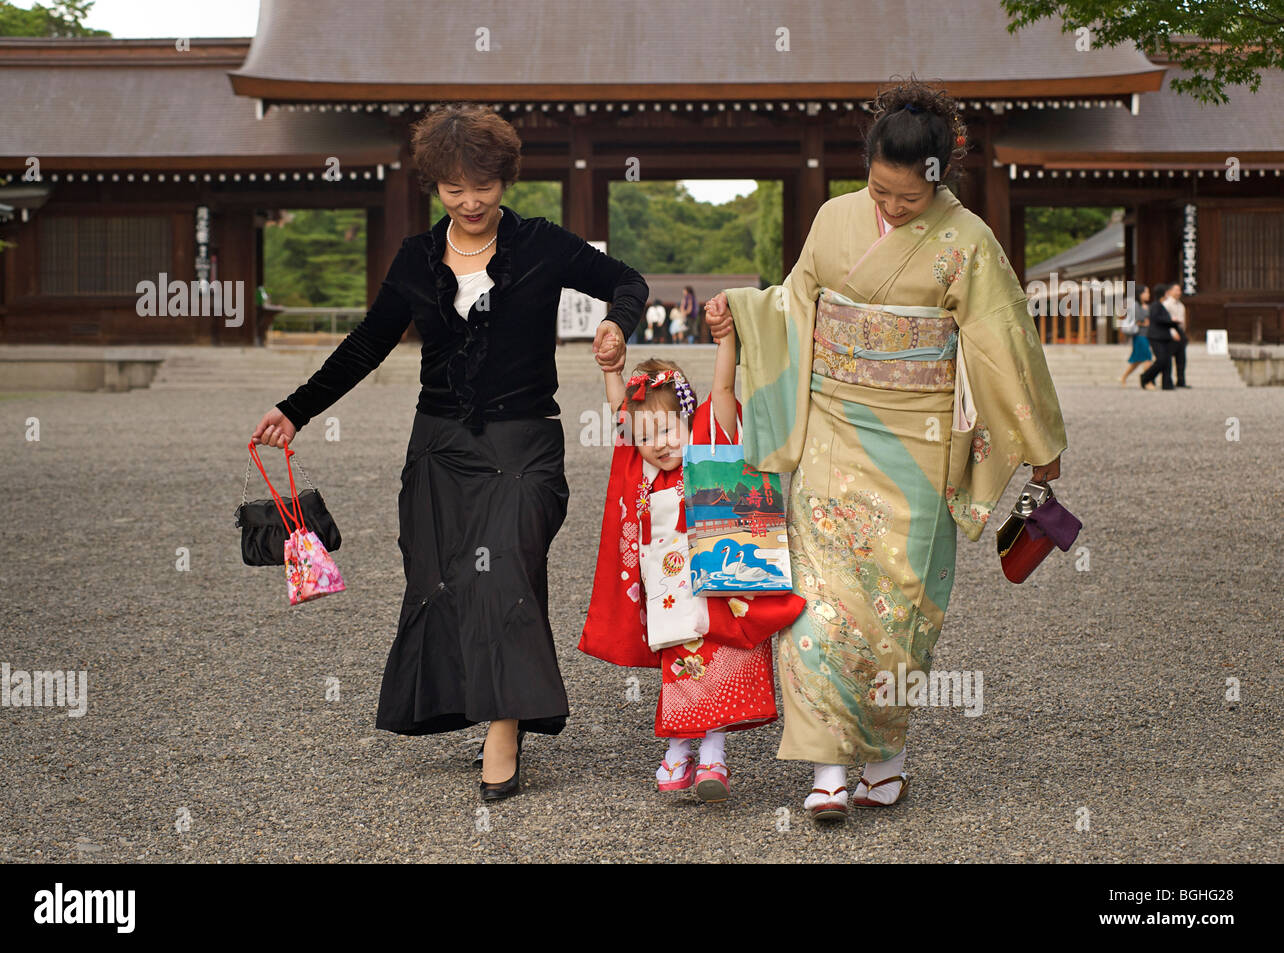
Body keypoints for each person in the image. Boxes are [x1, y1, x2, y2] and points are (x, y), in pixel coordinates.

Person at [250, 104, 647, 802]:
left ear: (506, 180)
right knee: (445, 584)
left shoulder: (543, 244)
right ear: (435, 184)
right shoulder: (415, 258)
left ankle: (503, 728)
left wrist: (616, 323)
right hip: (437, 446)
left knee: (504, 576)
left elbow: (628, 281)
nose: (470, 201)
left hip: (524, 444)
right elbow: (367, 344)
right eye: (454, 187)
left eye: (484, 186)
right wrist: (295, 409)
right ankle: (495, 703)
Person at [703, 80, 1066, 822]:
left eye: (908, 198)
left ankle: (887, 753)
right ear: (865, 167)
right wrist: (740, 309)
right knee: (821, 606)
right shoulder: (835, 218)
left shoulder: (967, 242)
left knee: (897, 610)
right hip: (832, 434)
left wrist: (1039, 447)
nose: (894, 208)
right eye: (881, 191)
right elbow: (793, 307)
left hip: (919, 446)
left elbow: (1003, 346)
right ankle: (829, 767)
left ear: (939, 175)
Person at [578, 339, 805, 802]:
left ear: (688, 420)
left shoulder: (707, 444)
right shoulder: (640, 469)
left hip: (720, 594)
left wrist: (726, 342)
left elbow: (722, 390)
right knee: (681, 672)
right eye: (645, 436)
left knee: (717, 669)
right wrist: (611, 371)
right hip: (672, 598)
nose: (658, 444)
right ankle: (682, 747)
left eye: (668, 429)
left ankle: (711, 755)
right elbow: (622, 412)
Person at [1139, 282, 1180, 390]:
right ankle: (1145, 377)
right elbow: (1157, 319)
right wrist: (1171, 320)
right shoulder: (1155, 306)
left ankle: (1167, 383)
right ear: (1165, 293)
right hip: (1156, 337)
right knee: (1161, 360)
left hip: (1164, 337)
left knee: (1167, 361)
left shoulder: (1160, 306)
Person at [1119, 283, 1153, 386]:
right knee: (1147, 358)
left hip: (1146, 335)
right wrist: (1144, 323)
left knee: (1137, 361)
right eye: (1146, 292)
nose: (1148, 294)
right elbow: (1135, 320)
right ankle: (1148, 382)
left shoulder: (1147, 306)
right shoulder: (1135, 305)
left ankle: (1123, 377)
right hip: (1139, 335)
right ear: (1140, 294)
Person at [1163, 283, 1191, 387]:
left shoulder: (1181, 305)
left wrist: (1182, 333)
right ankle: (1167, 380)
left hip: (1180, 332)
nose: (1178, 292)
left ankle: (1181, 380)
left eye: (1179, 290)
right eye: (1176, 290)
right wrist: (1172, 333)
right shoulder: (1166, 304)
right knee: (1169, 358)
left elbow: (1183, 321)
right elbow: (1166, 320)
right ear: (1170, 291)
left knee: (1181, 358)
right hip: (1170, 333)